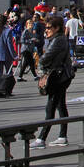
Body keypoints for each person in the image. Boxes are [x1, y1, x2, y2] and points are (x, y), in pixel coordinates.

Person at [34, 16, 73, 149]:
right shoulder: (57, 39)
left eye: (49, 27)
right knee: (61, 106)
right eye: (46, 27)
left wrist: (40, 65)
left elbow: (46, 57)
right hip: (61, 76)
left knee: (50, 107)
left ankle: (41, 139)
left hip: (59, 77)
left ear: (57, 28)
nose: (47, 30)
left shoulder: (58, 40)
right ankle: (62, 136)